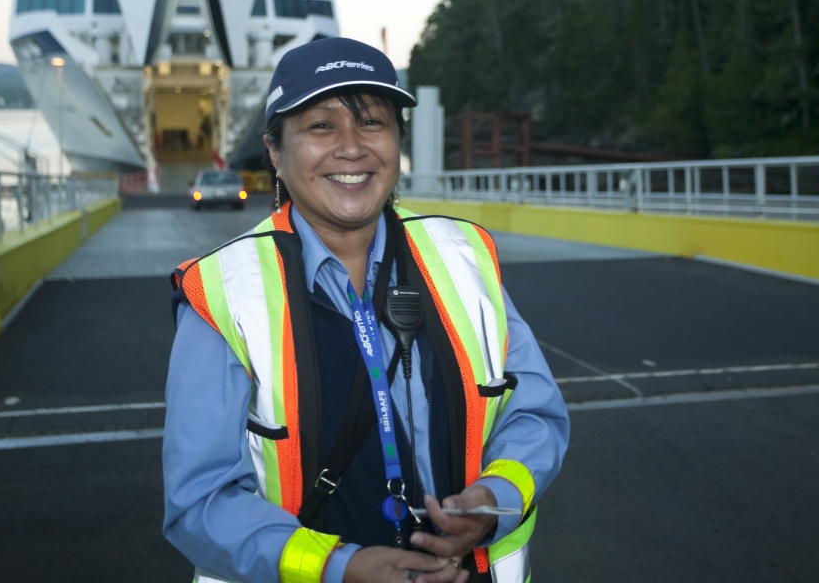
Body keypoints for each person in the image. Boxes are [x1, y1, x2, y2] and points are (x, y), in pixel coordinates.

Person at [163, 38, 569, 583]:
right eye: (321, 126)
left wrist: (494, 499)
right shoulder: (222, 293)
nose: (352, 148)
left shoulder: (463, 257)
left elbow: (536, 414)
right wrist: (339, 567)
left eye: (373, 122)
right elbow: (200, 499)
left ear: (398, 142)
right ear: (276, 153)